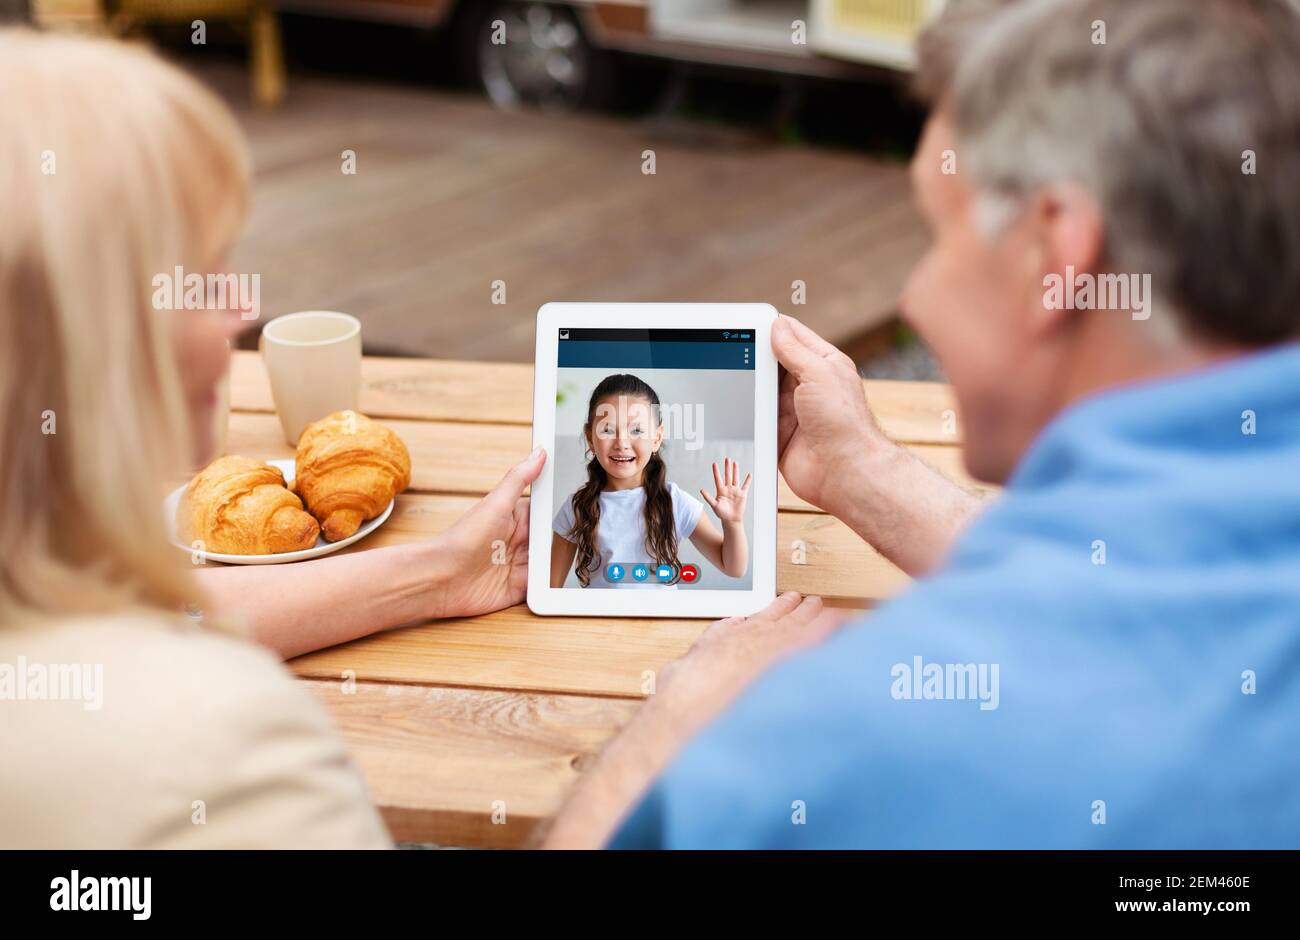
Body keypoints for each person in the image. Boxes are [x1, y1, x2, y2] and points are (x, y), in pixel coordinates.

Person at [544, 0, 1300, 848]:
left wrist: (677, 723)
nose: (915, 298)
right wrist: (860, 471)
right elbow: (1138, 585)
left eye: (937, 234)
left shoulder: (863, 740)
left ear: (1056, 256)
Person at [0, 27, 546, 847]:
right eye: (199, 273)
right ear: (74, 333)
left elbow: (165, 612)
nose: (239, 310)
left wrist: (439, 573)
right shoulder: (216, 750)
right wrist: (670, 738)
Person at [551, 373, 751, 589]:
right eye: (608, 430)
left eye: (637, 430)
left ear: (656, 437)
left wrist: (733, 523)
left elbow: (734, 568)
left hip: (661, 623)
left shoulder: (676, 502)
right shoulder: (576, 509)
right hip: (601, 622)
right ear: (590, 437)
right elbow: (550, 588)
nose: (622, 443)